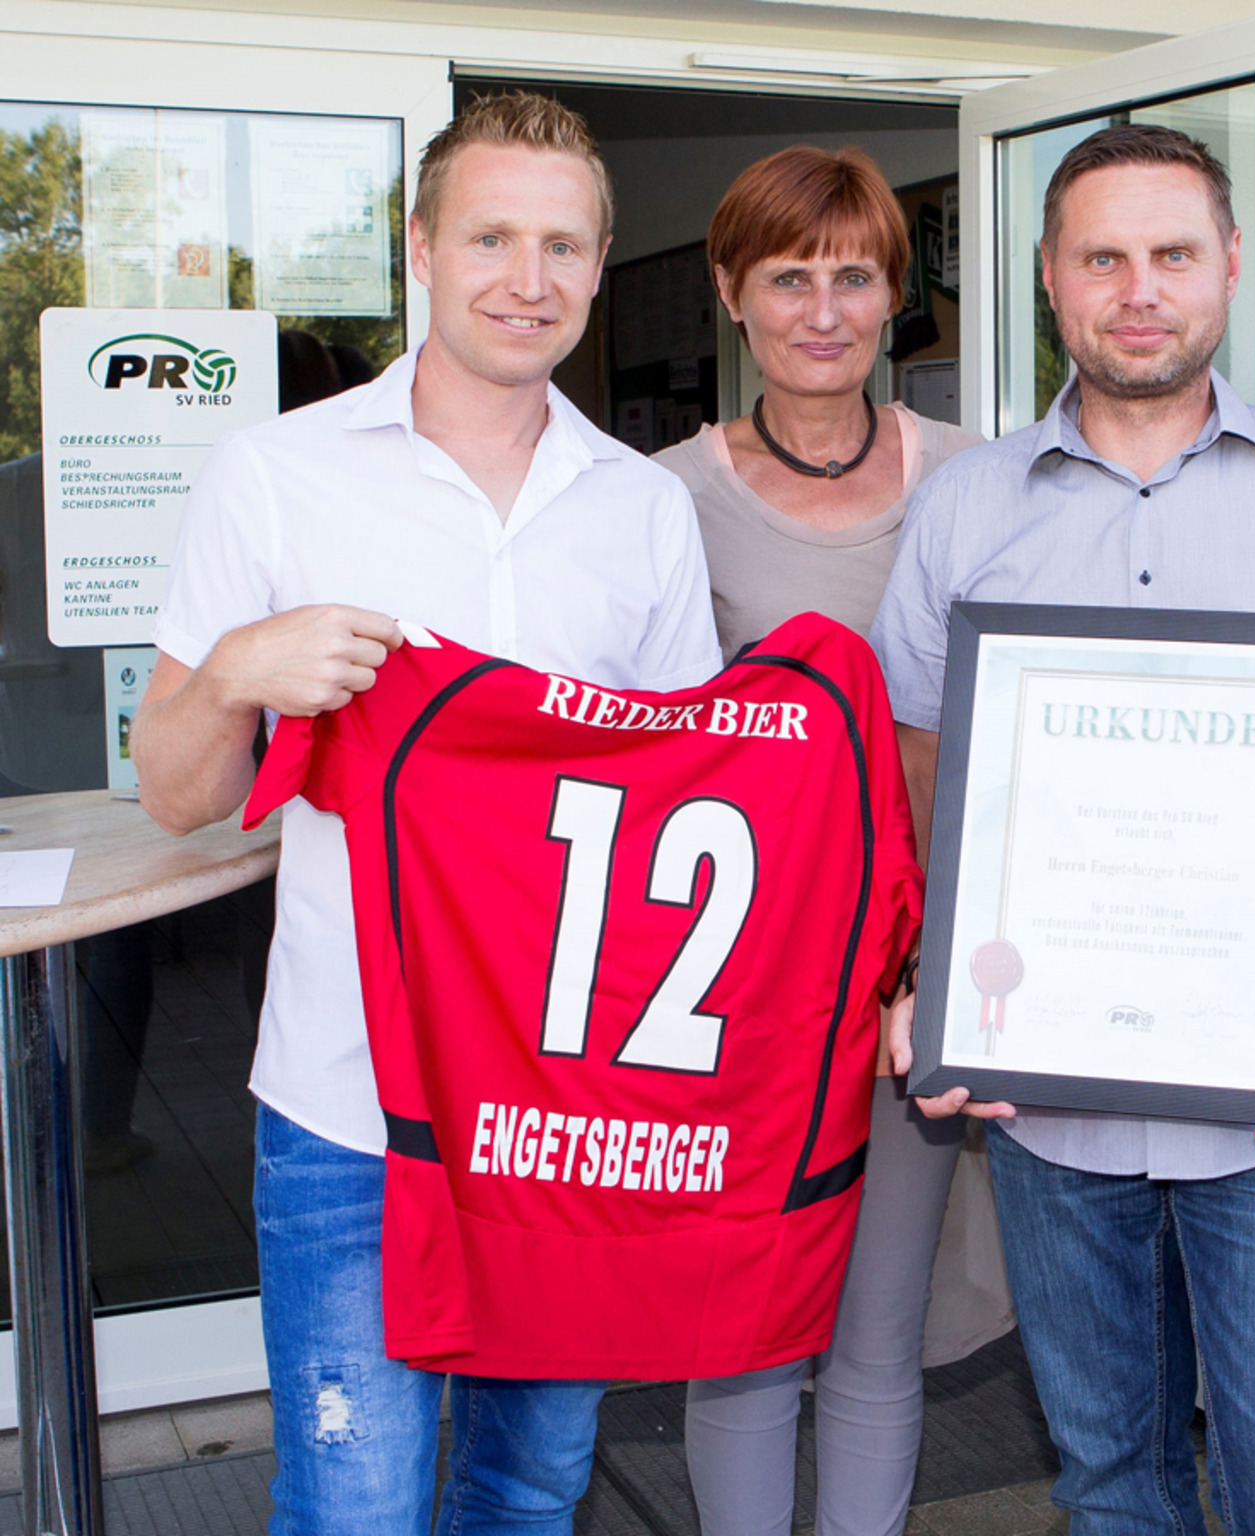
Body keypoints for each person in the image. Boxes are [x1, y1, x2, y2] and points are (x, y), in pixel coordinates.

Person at [131, 90, 721, 1536]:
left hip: (571, 1110)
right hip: (350, 1104)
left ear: (598, 267)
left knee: (529, 1491)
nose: (530, 279)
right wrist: (236, 675)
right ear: (420, 248)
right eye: (493, 237)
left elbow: (684, 806)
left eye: (565, 246)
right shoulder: (276, 474)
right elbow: (175, 796)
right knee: (353, 1508)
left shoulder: (642, 509)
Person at [871, 124, 1255, 1534]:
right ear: (1054, 283)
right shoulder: (964, 507)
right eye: (1103, 257)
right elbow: (911, 770)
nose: (1140, 288)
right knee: (1113, 1487)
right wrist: (928, 972)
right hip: (1046, 1106)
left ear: (1230, 271)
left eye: (1172, 254)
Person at [650, 144, 997, 1536]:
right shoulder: (659, 498)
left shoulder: (977, 481)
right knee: (739, 1338)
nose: (822, 309)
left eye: (854, 275)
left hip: (915, 984)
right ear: (732, 293)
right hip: (736, 996)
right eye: (788, 276)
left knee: (877, 1333)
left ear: (894, 299)